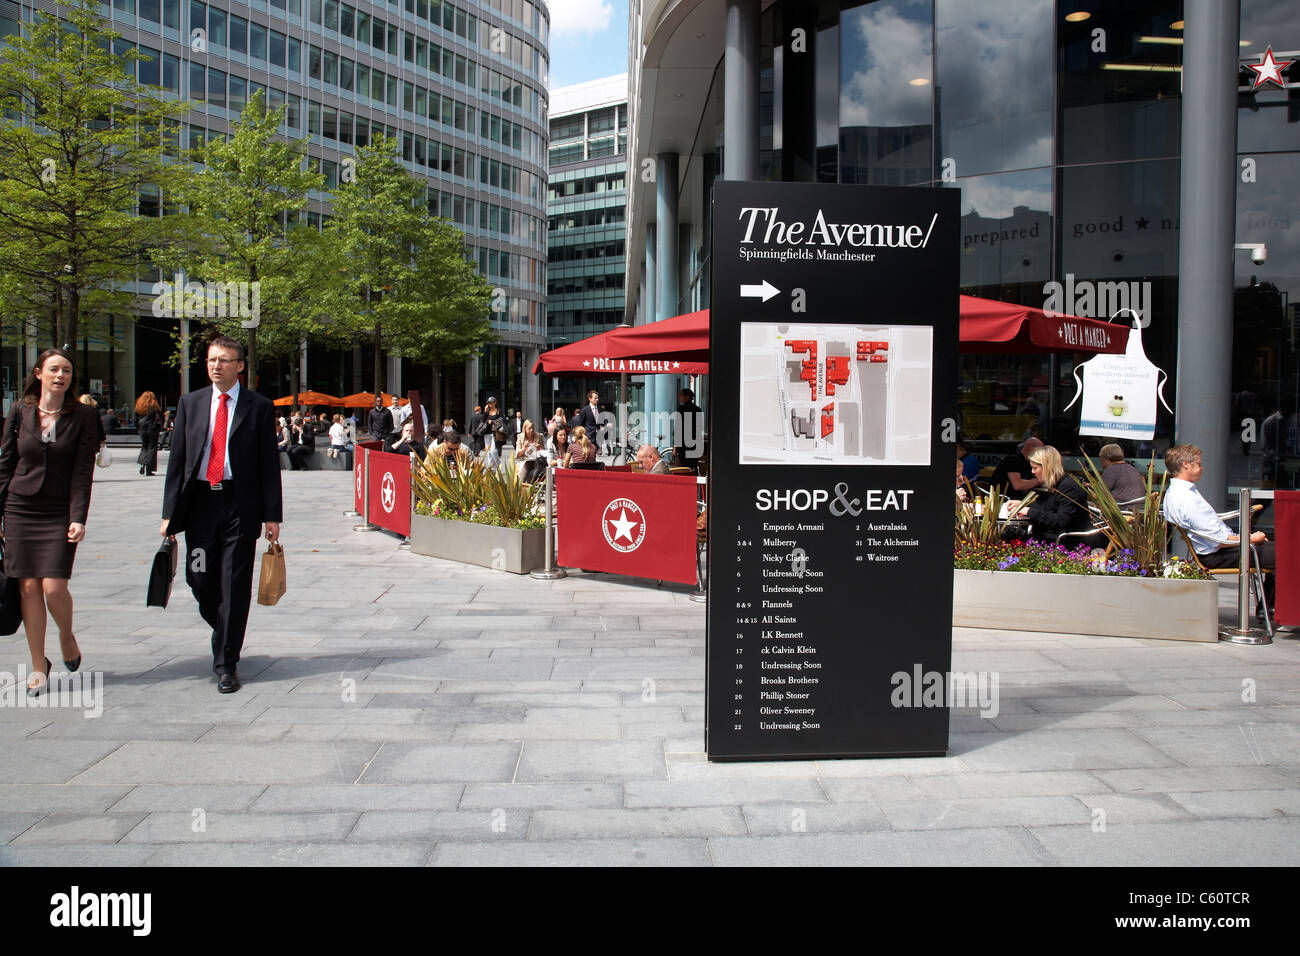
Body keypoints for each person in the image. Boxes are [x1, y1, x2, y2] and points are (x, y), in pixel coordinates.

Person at [159, 336, 282, 694]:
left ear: (240, 365)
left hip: (239, 507)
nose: (216, 366)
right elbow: (177, 461)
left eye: (225, 360)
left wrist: (271, 515)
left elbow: (268, 464)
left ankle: (227, 662)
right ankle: (224, 627)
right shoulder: (190, 403)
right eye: (212, 360)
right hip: (199, 505)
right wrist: (169, 513)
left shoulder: (258, 406)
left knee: (234, 584)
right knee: (198, 576)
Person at [0, 349, 99, 697]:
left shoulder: (84, 416)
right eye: (54, 369)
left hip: (58, 511)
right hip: (20, 508)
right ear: (39, 373)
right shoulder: (19, 412)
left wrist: (78, 517)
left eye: (67, 371)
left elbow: (83, 471)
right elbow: (6, 464)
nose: (61, 375)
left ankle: (66, 635)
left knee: (53, 587)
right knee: (27, 587)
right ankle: (38, 665)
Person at [1163, 443, 1277, 615]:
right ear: (1186, 464)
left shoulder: (1177, 492)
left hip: (1217, 550)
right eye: (1199, 464)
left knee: (1282, 549)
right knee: (1287, 552)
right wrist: (1250, 539)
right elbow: (1216, 540)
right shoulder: (1187, 498)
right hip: (1217, 555)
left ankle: (1269, 607)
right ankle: (1272, 608)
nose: (1202, 468)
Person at [1005, 445, 1091, 541]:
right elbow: (1048, 507)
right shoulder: (1057, 483)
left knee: (1012, 540)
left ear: (1047, 467)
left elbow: (1061, 520)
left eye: (1035, 468)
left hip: (1066, 540)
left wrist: (1028, 511)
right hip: (1052, 535)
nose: (1032, 471)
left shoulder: (1068, 486)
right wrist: (1023, 505)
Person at [674, 388, 704, 473]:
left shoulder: (681, 409)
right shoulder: (697, 409)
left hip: (683, 445)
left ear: (687, 396)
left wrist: (675, 446)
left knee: (683, 469)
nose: (679, 397)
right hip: (694, 444)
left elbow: (678, 429)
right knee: (692, 468)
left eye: (681, 395)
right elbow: (699, 429)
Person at [135, 391, 163, 476]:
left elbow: (135, 418)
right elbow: (160, 418)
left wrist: (138, 428)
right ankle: (149, 469)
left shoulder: (139, 406)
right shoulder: (154, 406)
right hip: (152, 429)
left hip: (142, 429)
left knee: (144, 447)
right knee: (152, 448)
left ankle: (142, 464)